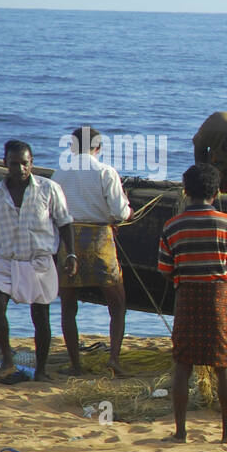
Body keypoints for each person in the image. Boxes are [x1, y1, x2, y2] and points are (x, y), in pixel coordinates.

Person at [0, 140, 76, 382]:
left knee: (41, 316)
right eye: (14, 164)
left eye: (25, 163)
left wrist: (71, 254)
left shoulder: (49, 189)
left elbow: (64, 222)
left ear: (31, 163)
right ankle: (7, 358)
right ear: (5, 164)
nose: (20, 169)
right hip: (6, 260)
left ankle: (42, 369)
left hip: (39, 262)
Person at [157, 163, 227, 443]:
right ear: (216, 192)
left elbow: (165, 269)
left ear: (185, 191)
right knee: (224, 364)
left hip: (186, 296)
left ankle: (181, 432)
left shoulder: (172, 226)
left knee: (183, 363)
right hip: (219, 297)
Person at [56, 126, 132, 376]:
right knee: (117, 304)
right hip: (99, 242)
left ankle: (75, 364)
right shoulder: (105, 172)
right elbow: (120, 214)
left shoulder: (59, 174)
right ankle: (113, 360)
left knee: (68, 305)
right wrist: (127, 210)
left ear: (72, 147)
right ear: (98, 148)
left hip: (68, 244)